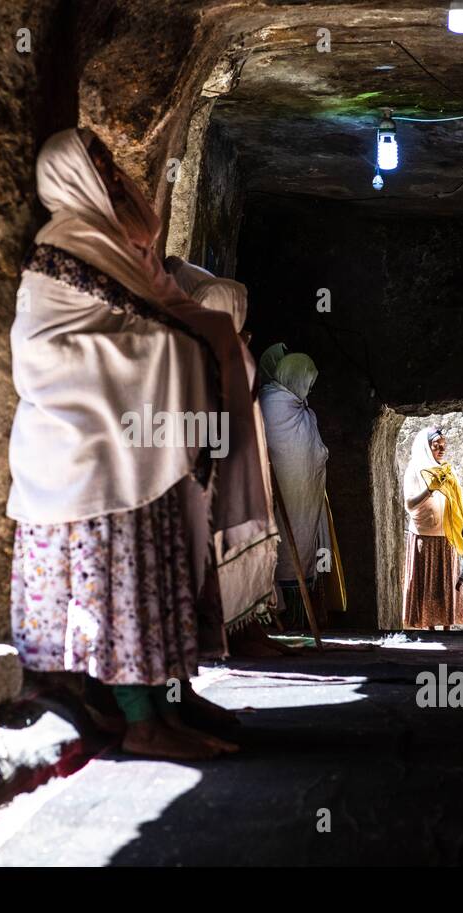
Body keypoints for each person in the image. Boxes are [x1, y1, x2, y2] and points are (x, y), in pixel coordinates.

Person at [7, 128, 266, 759]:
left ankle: (169, 708)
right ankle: (142, 723)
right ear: (72, 181)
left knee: (157, 583)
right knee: (122, 591)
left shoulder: (121, 248)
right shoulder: (64, 248)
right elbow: (44, 354)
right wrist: (182, 347)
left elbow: (166, 315)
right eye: (98, 167)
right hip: (89, 454)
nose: (115, 175)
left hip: (144, 445)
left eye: (109, 162)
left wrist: (199, 339)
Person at [167, 260, 287, 657]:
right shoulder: (210, 347)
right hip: (221, 464)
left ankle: (239, 626)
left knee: (229, 541)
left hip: (232, 461)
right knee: (220, 541)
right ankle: (225, 630)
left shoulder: (220, 345)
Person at [260, 352, 330, 631]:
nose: (310, 389)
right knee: (283, 552)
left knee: (300, 549)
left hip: (303, 500)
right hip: (283, 497)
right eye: (308, 382)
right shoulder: (272, 404)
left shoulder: (302, 409)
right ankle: (282, 615)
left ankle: (298, 616)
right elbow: (286, 453)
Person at [402, 425, 463, 629]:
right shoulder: (415, 470)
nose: (441, 449)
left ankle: (447, 626)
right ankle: (429, 628)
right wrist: (430, 489)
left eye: (443, 445)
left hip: (446, 537)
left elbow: (456, 500)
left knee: (446, 585)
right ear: (425, 447)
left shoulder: (446, 471)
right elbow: (409, 504)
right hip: (424, 538)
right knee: (428, 586)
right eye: (436, 445)